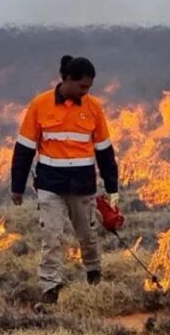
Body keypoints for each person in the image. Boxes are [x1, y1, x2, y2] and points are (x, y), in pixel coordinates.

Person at [11, 55, 121, 304]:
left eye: (89, 87)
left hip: (83, 185)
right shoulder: (40, 105)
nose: (86, 92)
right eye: (82, 86)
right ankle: (50, 288)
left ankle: (94, 272)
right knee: (51, 236)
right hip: (50, 184)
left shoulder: (94, 107)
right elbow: (24, 149)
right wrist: (17, 187)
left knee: (88, 235)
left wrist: (112, 188)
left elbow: (104, 151)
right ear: (67, 79)